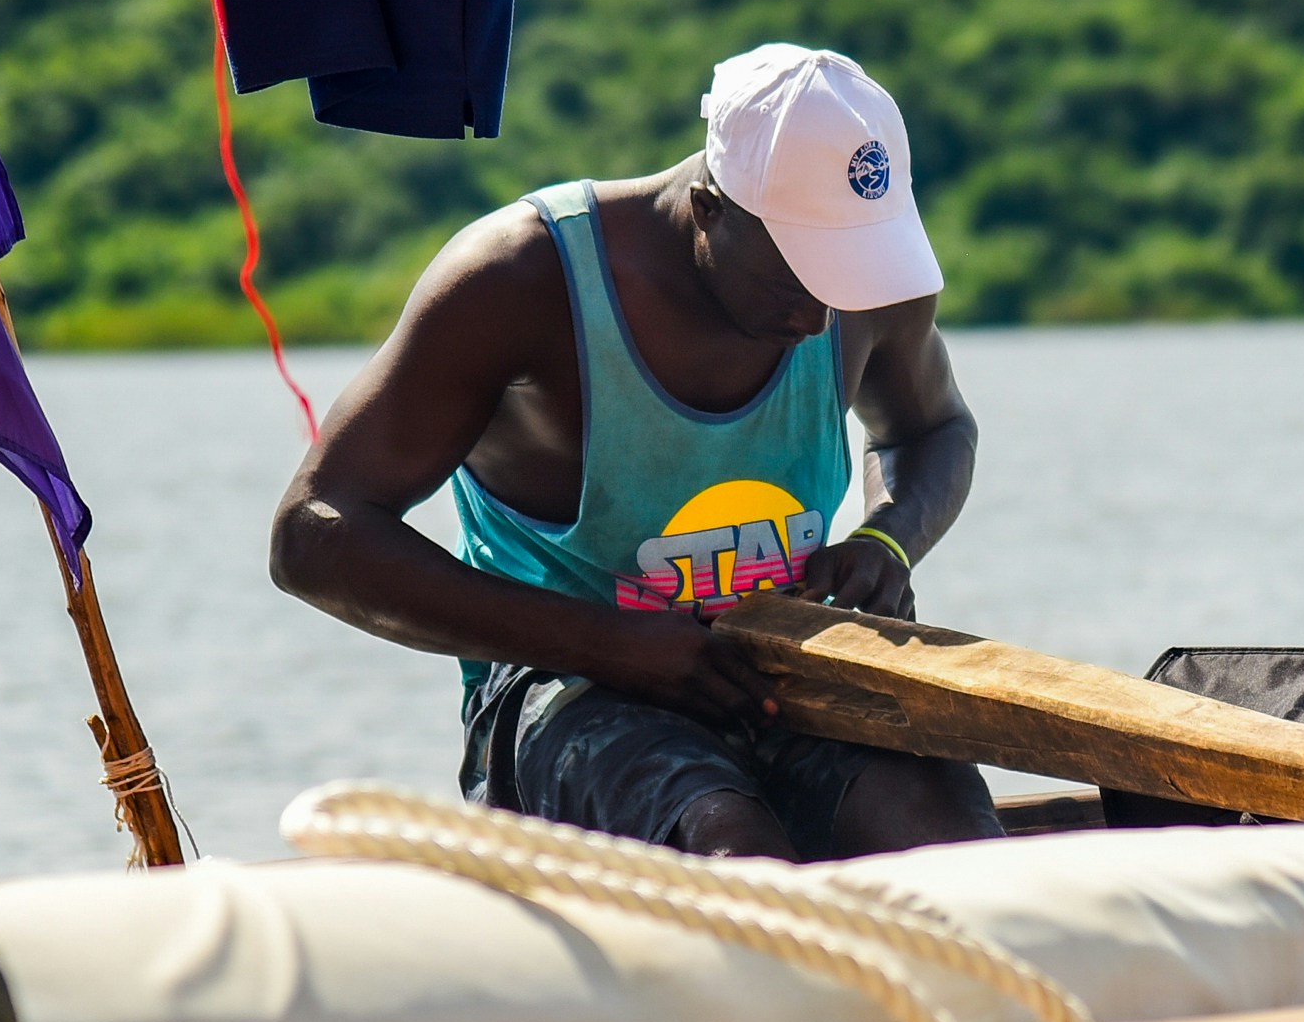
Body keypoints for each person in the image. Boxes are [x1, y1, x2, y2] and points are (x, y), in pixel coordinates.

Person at [272, 43, 1002, 861]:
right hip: (569, 687)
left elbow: (932, 429)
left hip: (783, 669)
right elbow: (315, 533)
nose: (823, 318)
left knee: (947, 839)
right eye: (798, 278)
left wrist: (886, 538)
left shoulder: (875, 279)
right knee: (730, 845)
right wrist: (607, 642)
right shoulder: (518, 280)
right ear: (708, 207)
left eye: (849, 275)